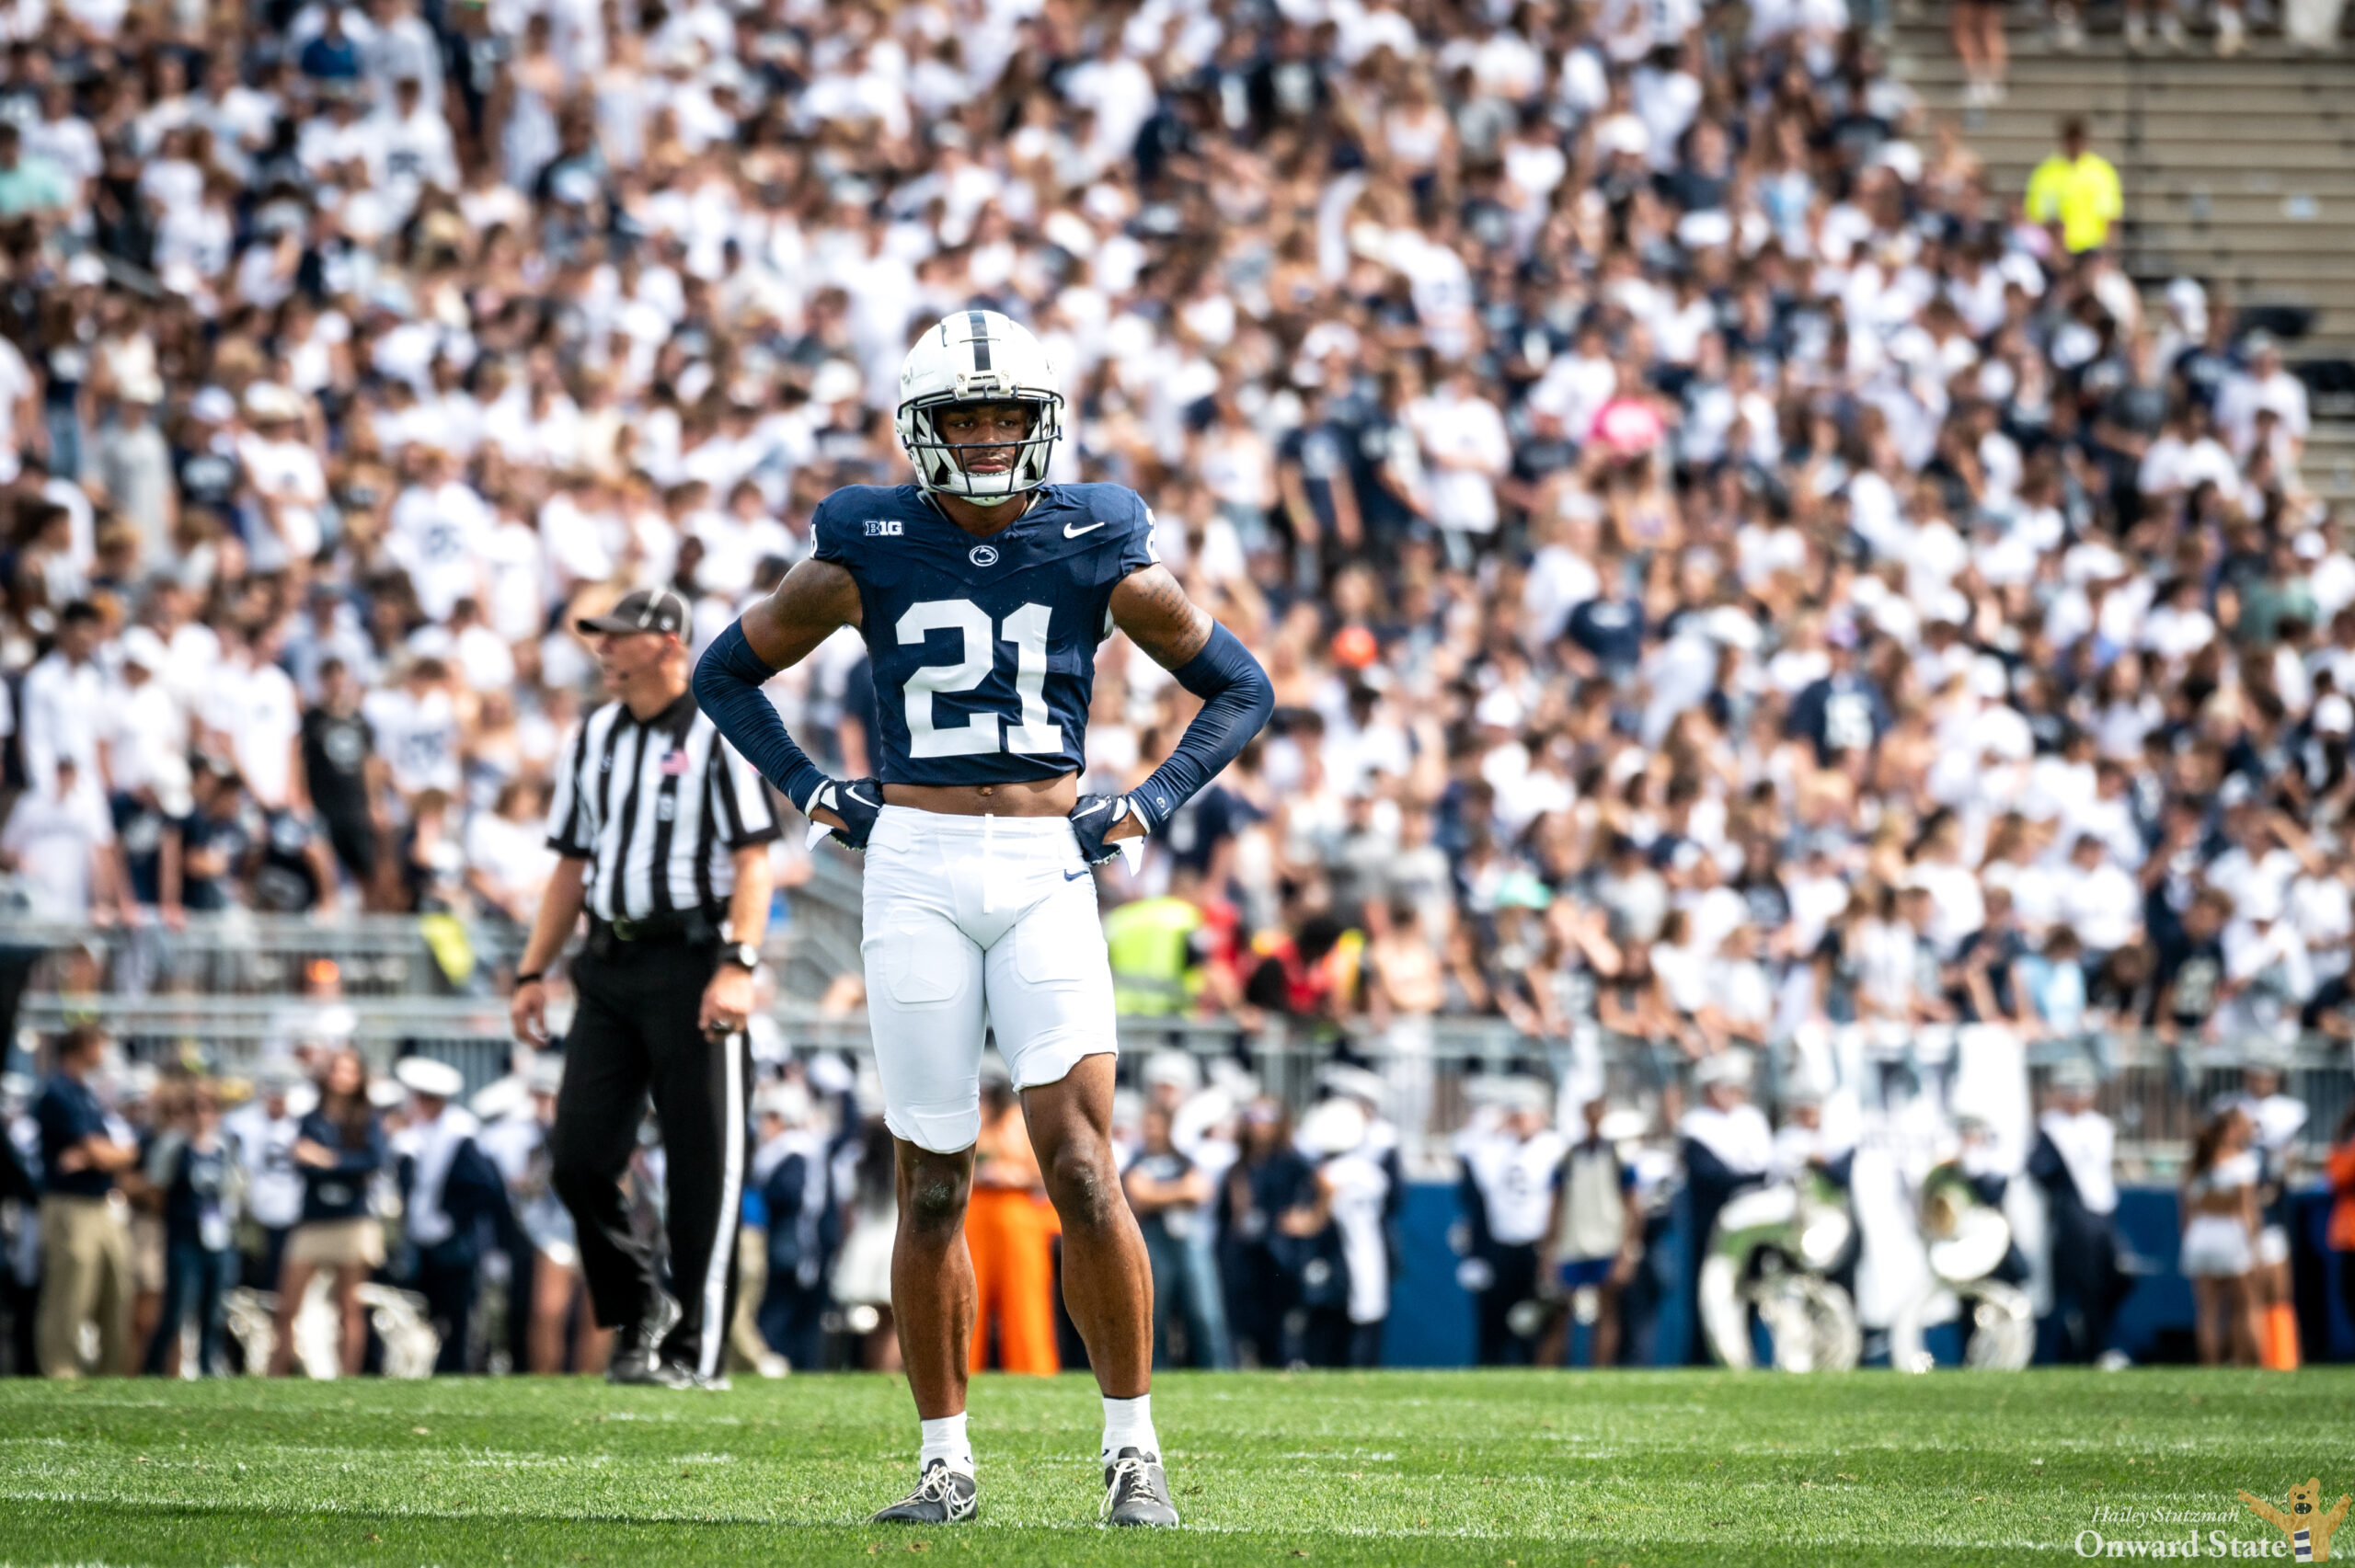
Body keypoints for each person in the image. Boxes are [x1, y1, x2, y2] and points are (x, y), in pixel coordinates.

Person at [693, 309, 1271, 1526]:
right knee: (932, 1179)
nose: (994, 435)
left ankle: (1133, 1452)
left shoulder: (1098, 534)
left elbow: (1240, 685)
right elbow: (723, 673)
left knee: (1081, 1163)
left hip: (1050, 861)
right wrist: (810, 790)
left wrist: (1151, 802)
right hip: (915, 859)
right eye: (969, 416)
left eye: (1010, 414)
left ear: (1042, 422)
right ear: (924, 429)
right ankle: (946, 1460)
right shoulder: (867, 540)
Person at [511, 585, 781, 1390]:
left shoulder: (717, 727)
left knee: (705, 1162)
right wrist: (533, 969)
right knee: (578, 1157)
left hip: (694, 963)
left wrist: (738, 962)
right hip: (610, 966)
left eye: (618, 637)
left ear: (668, 642)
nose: (602, 650)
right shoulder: (593, 735)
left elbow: (754, 859)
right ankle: (641, 1308)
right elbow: (569, 863)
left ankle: (696, 1349)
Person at [391, 1055, 511, 1374]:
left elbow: (485, 1188)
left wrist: (453, 1218)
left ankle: (454, 1369)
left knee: (456, 1313)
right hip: (419, 1236)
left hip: (453, 1240)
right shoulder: (414, 1132)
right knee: (424, 1309)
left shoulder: (461, 1133)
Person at [272, 1047, 387, 1378]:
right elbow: (302, 1164)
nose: (340, 1077)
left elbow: (372, 1161)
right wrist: (335, 1164)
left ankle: (347, 1378)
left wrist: (327, 1160)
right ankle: (276, 1374)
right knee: (287, 1306)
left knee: (349, 1308)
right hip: (314, 1220)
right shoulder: (311, 1118)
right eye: (336, 1069)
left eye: (348, 1070)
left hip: (352, 1221)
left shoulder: (367, 1118)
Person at [34, 1024, 138, 1377]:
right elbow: (102, 1151)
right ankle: (60, 1369)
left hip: (101, 1203)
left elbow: (121, 1152)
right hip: (69, 1205)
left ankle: (110, 1372)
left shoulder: (86, 1093)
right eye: (101, 1044)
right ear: (84, 1046)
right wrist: (103, 1154)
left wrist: (102, 1155)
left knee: (117, 1287)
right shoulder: (58, 1091)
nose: (104, 1053)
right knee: (70, 1291)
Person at [1454, 1079, 1567, 1367]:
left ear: (1542, 1114)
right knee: (1494, 1325)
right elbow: (1465, 1151)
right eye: (1514, 1112)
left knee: (1538, 1324)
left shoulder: (1554, 1147)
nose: (1519, 1119)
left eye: (1525, 1112)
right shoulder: (1495, 1148)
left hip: (1539, 1247)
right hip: (1500, 1246)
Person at [2028, 1059, 2131, 1366]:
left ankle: (2094, 1342)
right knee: (2084, 1285)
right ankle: (2091, 1349)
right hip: (2073, 1215)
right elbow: (2039, 1169)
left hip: (2103, 1213)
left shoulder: (2100, 1126)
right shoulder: (2051, 1126)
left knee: (2115, 1279)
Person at [1677, 1051, 1772, 1364]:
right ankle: (1704, 1358)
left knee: (1751, 1291)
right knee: (1711, 1295)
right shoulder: (1696, 1125)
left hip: (1754, 1225)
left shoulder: (1752, 1120)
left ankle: (1745, 1355)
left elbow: (1766, 1170)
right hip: (1714, 1227)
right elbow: (1714, 1176)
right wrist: (1749, 1178)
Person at [964, 1070, 1061, 1376]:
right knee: (968, 1297)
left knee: (1026, 1300)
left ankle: (1033, 1369)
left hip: (1018, 1213)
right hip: (975, 1212)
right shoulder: (968, 1120)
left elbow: (1044, 1170)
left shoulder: (1020, 1122)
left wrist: (1012, 1173)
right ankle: (963, 1368)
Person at [141, 1081, 237, 1377]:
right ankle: (154, 1369)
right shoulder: (173, 1145)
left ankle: (209, 1368)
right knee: (176, 1309)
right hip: (184, 1238)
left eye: (208, 1109)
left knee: (213, 1311)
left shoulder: (225, 1146)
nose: (201, 1116)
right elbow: (156, 1191)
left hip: (217, 1239)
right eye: (194, 1109)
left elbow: (232, 1190)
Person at [1540, 1096, 1642, 1369]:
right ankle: (1551, 1373)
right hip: (1572, 1244)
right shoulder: (1571, 1157)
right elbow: (1557, 1204)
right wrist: (1548, 1249)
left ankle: (1600, 1373)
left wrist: (1627, 1251)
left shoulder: (1619, 1156)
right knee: (1560, 1313)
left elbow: (1633, 1206)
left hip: (1607, 1244)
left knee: (1606, 1312)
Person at [1124, 1102, 1213, 1369]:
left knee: (1204, 1313)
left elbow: (1200, 1191)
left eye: (1156, 1124)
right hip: (1153, 1241)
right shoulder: (1136, 1161)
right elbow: (1139, 1197)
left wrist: (1157, 1193)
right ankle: (1154, 1372)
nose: (1151, 1130)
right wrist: (1179, 1191)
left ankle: (1213, 1369)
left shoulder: (1184, 1159)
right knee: (1153, 1315)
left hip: (1188, 1240)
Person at [2179, 1106, 2263, 1368]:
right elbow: (2248, 1210)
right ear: (2230, 1131)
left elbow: (2186, 1212)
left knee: (2208, 1310)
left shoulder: (2195, 1164)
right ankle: (2253, 1362)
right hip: (2231, 1235)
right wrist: (2255, 1246)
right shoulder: (2243, 1162)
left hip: (2200, 1237)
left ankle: (2210, 1366)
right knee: (2247, 1304)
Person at [224, 1059, 307, 1292]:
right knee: (247, 1280)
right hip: (250, 1213)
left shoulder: (304, 1123)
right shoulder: (240, 1123)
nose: (277, 1100)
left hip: (293, 1213)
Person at [2025, 118, 2124, 258]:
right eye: (2071, 139)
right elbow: (2038, 217)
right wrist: (2053, 251)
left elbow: (2110, 219)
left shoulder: (2101, 172)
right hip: (2057, 251)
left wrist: (2107, 254)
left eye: (2078, 139)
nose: (2075, 145)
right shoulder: (2046, 172)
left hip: (2092, 249)